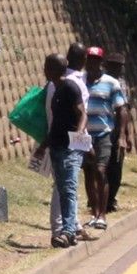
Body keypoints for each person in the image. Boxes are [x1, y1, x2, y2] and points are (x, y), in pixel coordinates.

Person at [43, 53, 86, 248]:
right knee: (62, 189)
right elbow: (56, 123)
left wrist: (77, 135)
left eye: (46, 66)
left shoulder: (70, 87)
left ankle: (68, 231)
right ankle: (69, 231)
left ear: (52, 70)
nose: (43, 70)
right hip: (56, 146)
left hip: (70, 148)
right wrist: (43, 146)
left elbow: (82, 113)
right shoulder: (56, 89)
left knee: (68, 188)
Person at [82, 46, 125, 231]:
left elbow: (122, 109)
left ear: (101, 63)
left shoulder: (111, 83)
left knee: (101, 171)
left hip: (103, 134)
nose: (92, 63)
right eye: (89, 59)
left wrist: (122, 135)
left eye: (96, 60)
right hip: (83, 135)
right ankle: (93, 212)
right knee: (88, 173)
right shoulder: (80, 81)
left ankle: (102, 214)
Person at [100, 50, 130, 214]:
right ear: (107, 66)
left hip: (118, 131)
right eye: (117, 66)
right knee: (101, 167)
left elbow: (126, 110)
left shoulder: (123, 84)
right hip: (102, 129)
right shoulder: (100, 80)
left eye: (121, 67)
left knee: (116, 168)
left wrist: (126, 134)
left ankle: (111, 198)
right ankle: (99, 201)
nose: (120, 69)